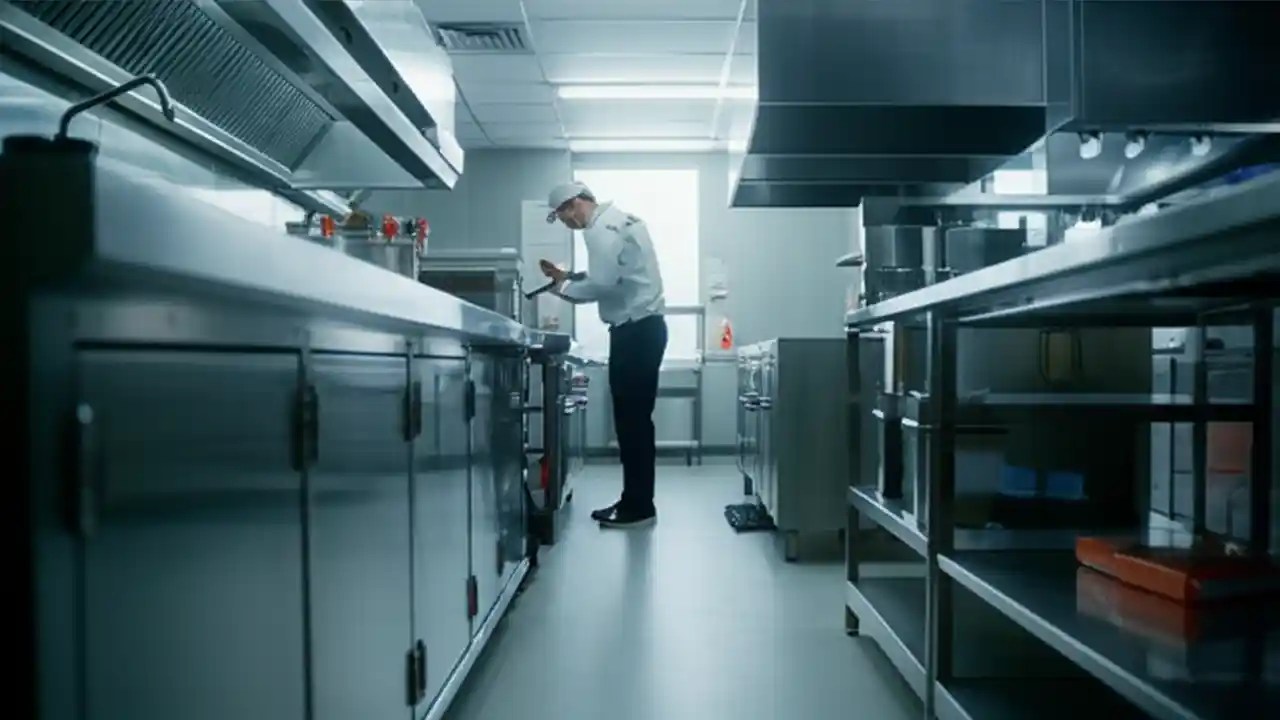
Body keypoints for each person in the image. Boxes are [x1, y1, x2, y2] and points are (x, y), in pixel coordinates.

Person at [541, 181, 667, 528]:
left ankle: (638, 507)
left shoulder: (599, 231)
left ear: (577, 203)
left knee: (632, 424)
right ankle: (635, 500)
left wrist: (561, 287)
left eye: (564, 214)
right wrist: (568, 276)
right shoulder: (618, 221)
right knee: (635, 422)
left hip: (635, 331)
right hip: (643, 329)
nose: (566, 222)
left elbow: (602, 284)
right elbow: (611, 274)